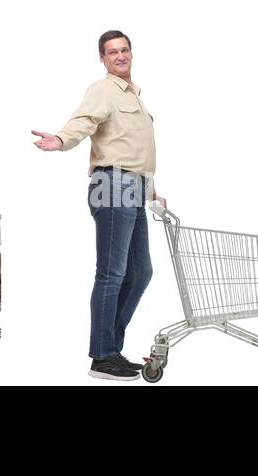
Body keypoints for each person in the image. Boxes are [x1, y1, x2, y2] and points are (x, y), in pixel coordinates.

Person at [31, 30, 166, 381]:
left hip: (133, 186)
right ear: (102, 59)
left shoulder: (136, 96)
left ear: (132, 54)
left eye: (124, 50)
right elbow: (83, 122)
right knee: (112, 273)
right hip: (111, 184)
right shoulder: (103, 89)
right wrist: (60, 139)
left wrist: (151, 190)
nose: (119, 56)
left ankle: (111, 348)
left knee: (141, 272)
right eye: (112, 52)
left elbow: (136, 150)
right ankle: (103, 357)